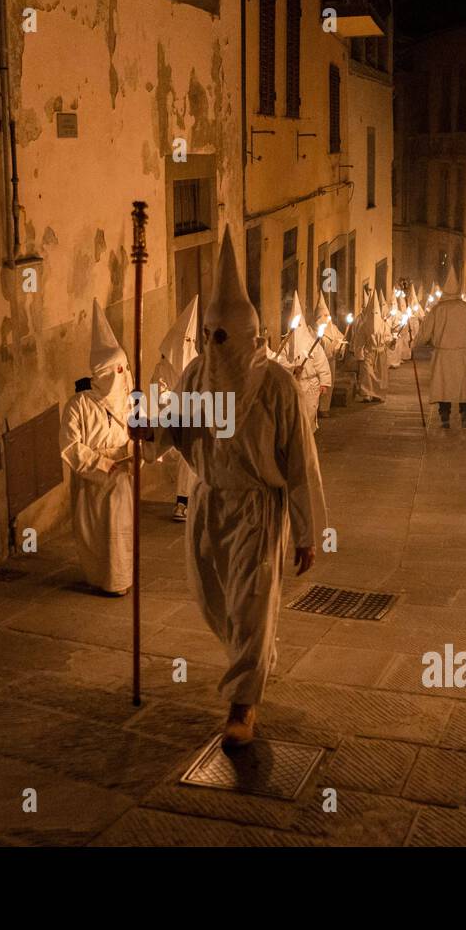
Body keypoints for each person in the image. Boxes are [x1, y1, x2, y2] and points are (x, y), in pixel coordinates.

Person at [135, 229, 325, 751]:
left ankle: (243, 702)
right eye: (210, 333)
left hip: (258, 510)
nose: (215, 344)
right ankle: (254, 657)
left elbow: (302, 464)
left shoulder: (278, 387)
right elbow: (172, 425)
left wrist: (308, 531)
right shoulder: (196, 376)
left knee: (251, 600)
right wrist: (147, 429)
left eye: (225, 335)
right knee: (215, 600)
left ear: (247, 334)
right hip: (207, 503)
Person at [59, 301, 134, 595]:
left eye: (124, 368)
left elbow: (134, 433)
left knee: (119, 530)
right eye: (119, 370)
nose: (123, 376)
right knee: (96, 533)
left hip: (121, 476)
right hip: (94, 479)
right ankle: (103, 578)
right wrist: (103, 465)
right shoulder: (79, 405)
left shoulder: (129, 402)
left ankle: (119, 581)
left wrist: (133, 453)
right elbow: (70, 444)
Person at [415, 282, 466, 428]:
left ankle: (445, 416)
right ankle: (465, 416)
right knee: (464, 387)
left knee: (444, 386)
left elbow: (425, 332)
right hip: (463, 356)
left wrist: (416, 344)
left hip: (443, 356)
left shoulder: (437, 309)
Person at [153, 295, 200, 522]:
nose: (186, 347)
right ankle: (184, 501)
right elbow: (157, 392)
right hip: (173, 419)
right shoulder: (163, 368)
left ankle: (187, 501)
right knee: (184, 458)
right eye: (184, 341)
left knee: (193, 458)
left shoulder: (199, 363)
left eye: (190, 342)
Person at [274, 292, 331, 431]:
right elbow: (279, 360)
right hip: (293, 384)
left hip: (310, 385)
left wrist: (324, 382)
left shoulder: (312, 344)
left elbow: (321, 363)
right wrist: (292, 368)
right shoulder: (286, 344)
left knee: (308, 414)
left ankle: (307, 437)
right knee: (294, 416)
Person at [312, 292, 344, 417]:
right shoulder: (313, 331)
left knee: (328, 384)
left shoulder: (333, 328)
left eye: (327, 315)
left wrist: (339, 348)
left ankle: (324, 408)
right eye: (322, 316)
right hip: (318, 363)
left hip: (331, 360)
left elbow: (341, 338)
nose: (325, 318)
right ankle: (315, 407)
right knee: (318, 384)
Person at [352, 288, 387, 402]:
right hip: (369, 352)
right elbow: (359, 341)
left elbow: (388, 337)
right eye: (372, 313)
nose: (374, 315)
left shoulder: (383, 324)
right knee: (367, 372)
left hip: (380, 352)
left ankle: (378, 394)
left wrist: (392, 341)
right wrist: (359, 355)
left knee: (379, 375)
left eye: (376, 313)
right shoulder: (363, 325)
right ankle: (367, 393)